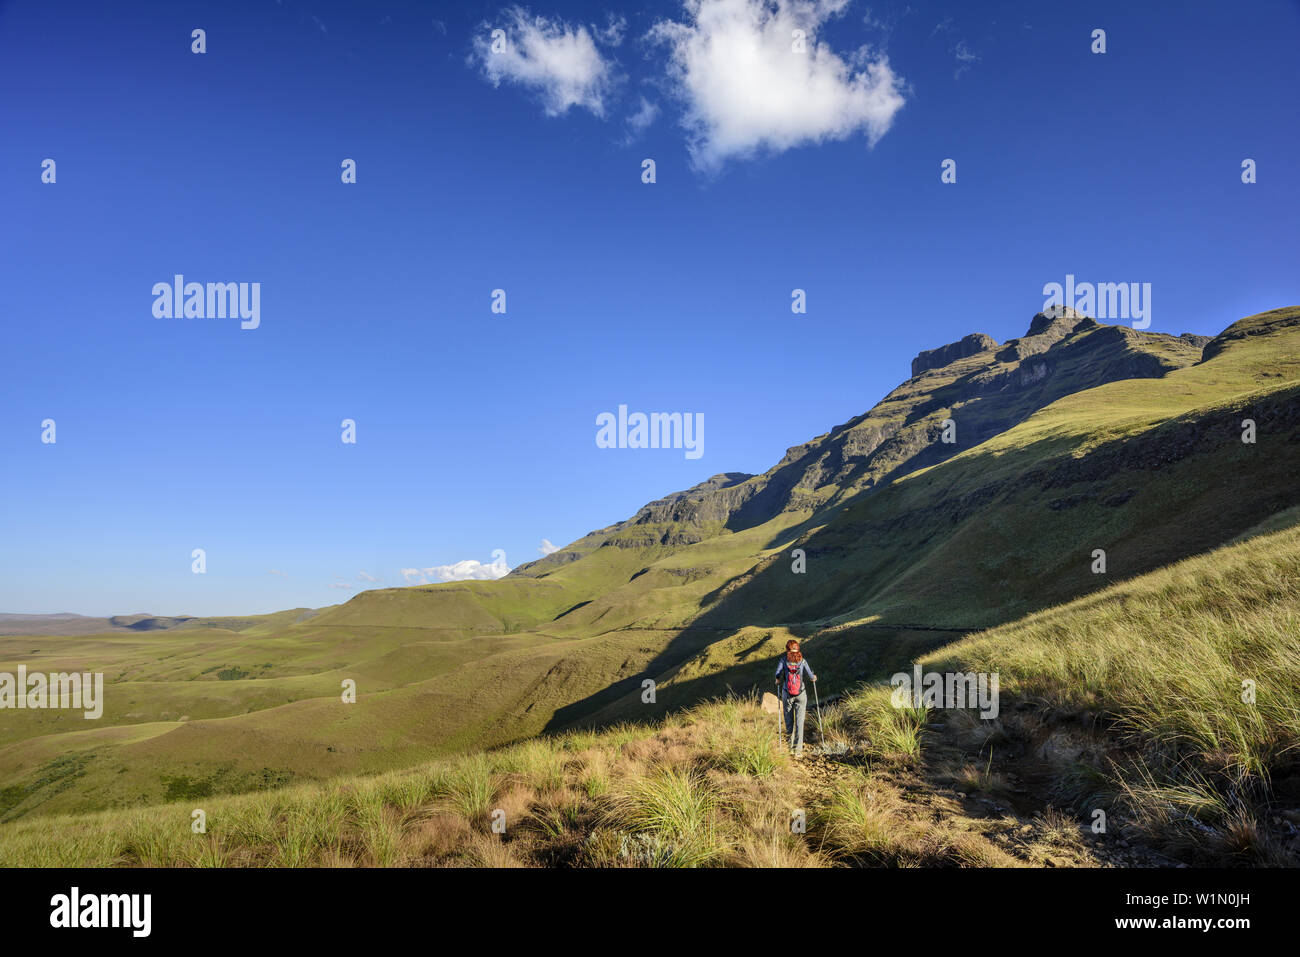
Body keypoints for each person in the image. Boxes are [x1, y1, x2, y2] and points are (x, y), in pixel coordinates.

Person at [774, 639, 817, 757]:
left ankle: (790, 749)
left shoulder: (783, 660)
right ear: (798, 649)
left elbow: (777, 673)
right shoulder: (802, 661)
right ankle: (798, 751)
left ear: (787, 649)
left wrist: (778, 680)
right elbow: (810, 676)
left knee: (789, 722)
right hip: (801, 694)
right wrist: (814, 678)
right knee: (799, 722)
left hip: (787, 694)